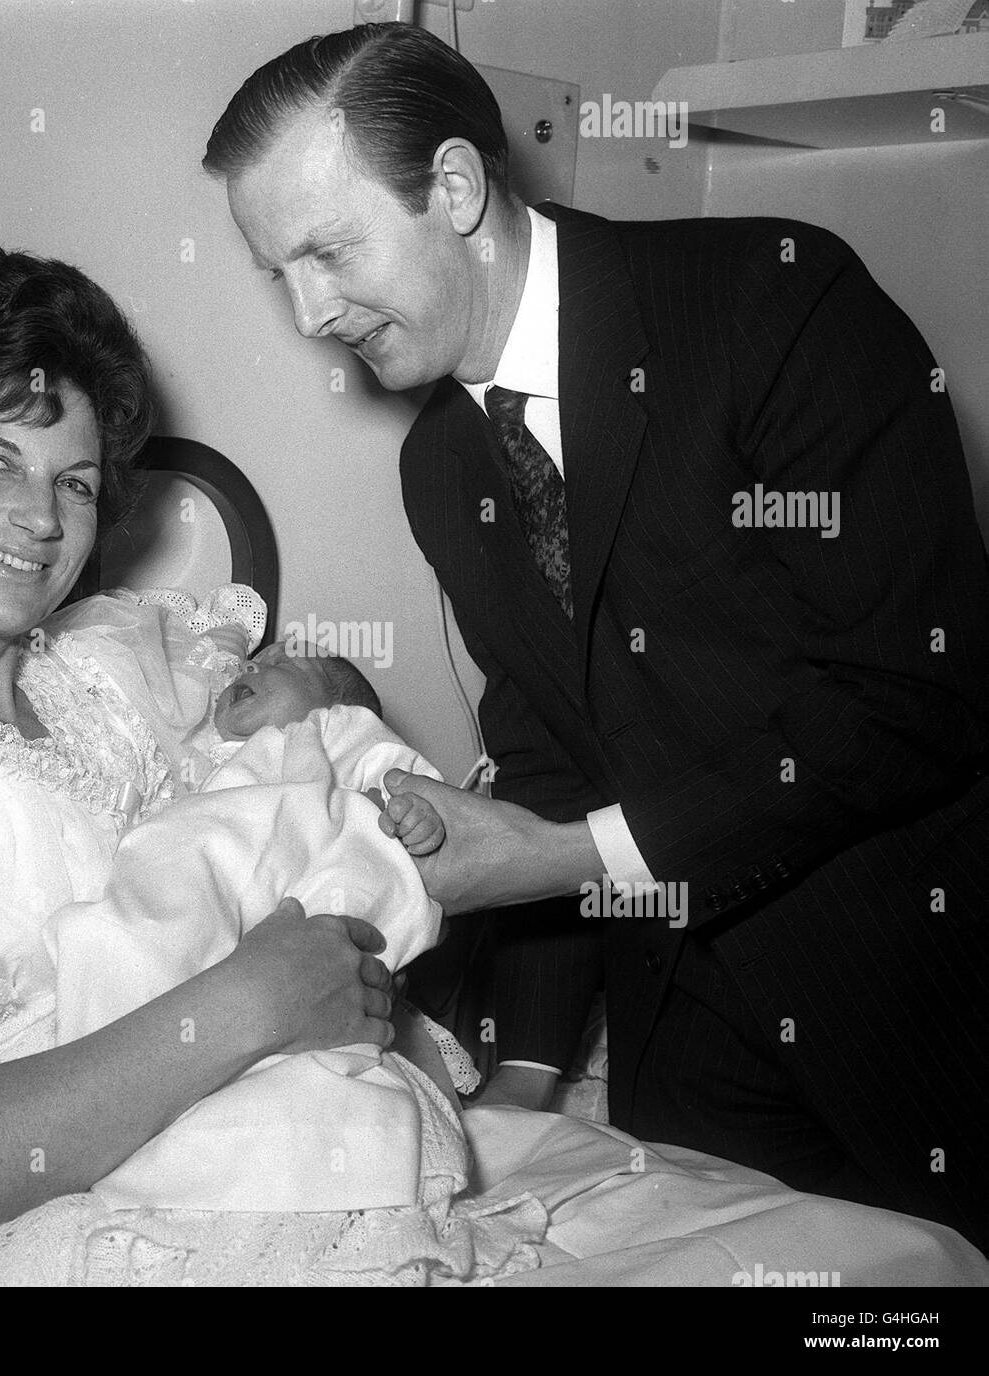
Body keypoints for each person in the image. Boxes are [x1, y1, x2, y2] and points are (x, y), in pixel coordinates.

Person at [203, 21, 989, 1251]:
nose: (308, 312)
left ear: (455, 189)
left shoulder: (770, 295)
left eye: (328, 250)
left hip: (912, 992)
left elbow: (910, 696)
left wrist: (573, 854)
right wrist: (525, 1060)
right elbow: (551, 750)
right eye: (277, 272)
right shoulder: (442, 461)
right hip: (683, 1036)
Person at [0, 244, 553, 1286]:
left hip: (245, 1139)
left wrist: (351, 738)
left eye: (77, 481)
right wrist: (244, 1007)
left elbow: (294, 767)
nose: (43, 518)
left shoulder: (117, 669)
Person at [49, 625, 478, 1213]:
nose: (247, 672)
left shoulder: (337, 734)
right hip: (214, 886)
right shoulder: (198, 766)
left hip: (300, 890)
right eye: (247, 666)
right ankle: (123, 1095)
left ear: (336, 701)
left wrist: (417, 818)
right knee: (121, 930)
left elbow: (406, 786)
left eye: (280, 664)